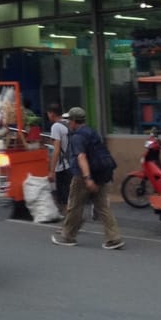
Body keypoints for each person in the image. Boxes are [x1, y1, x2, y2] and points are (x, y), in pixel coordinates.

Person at [51, 107, 124, 250]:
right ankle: (114, 238)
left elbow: (81, 157)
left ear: (73, 121)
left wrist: (87, 178)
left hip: (83, 176)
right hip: (101, 174)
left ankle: (68, 236)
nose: (68, 123)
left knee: (75, 206)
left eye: (69, 120)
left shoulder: (77, 136)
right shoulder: (92, 132)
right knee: (103, 207)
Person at [46, 104, 71, 211]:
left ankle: (69, 224)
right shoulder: (68, 124)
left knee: (63, 199)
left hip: (63, 167)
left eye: (48, 113)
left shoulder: (56, 127)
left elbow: (56, 151)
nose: (48, 116)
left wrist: (52, 171)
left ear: (52, 114)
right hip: (72, 164)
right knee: (70, 196)